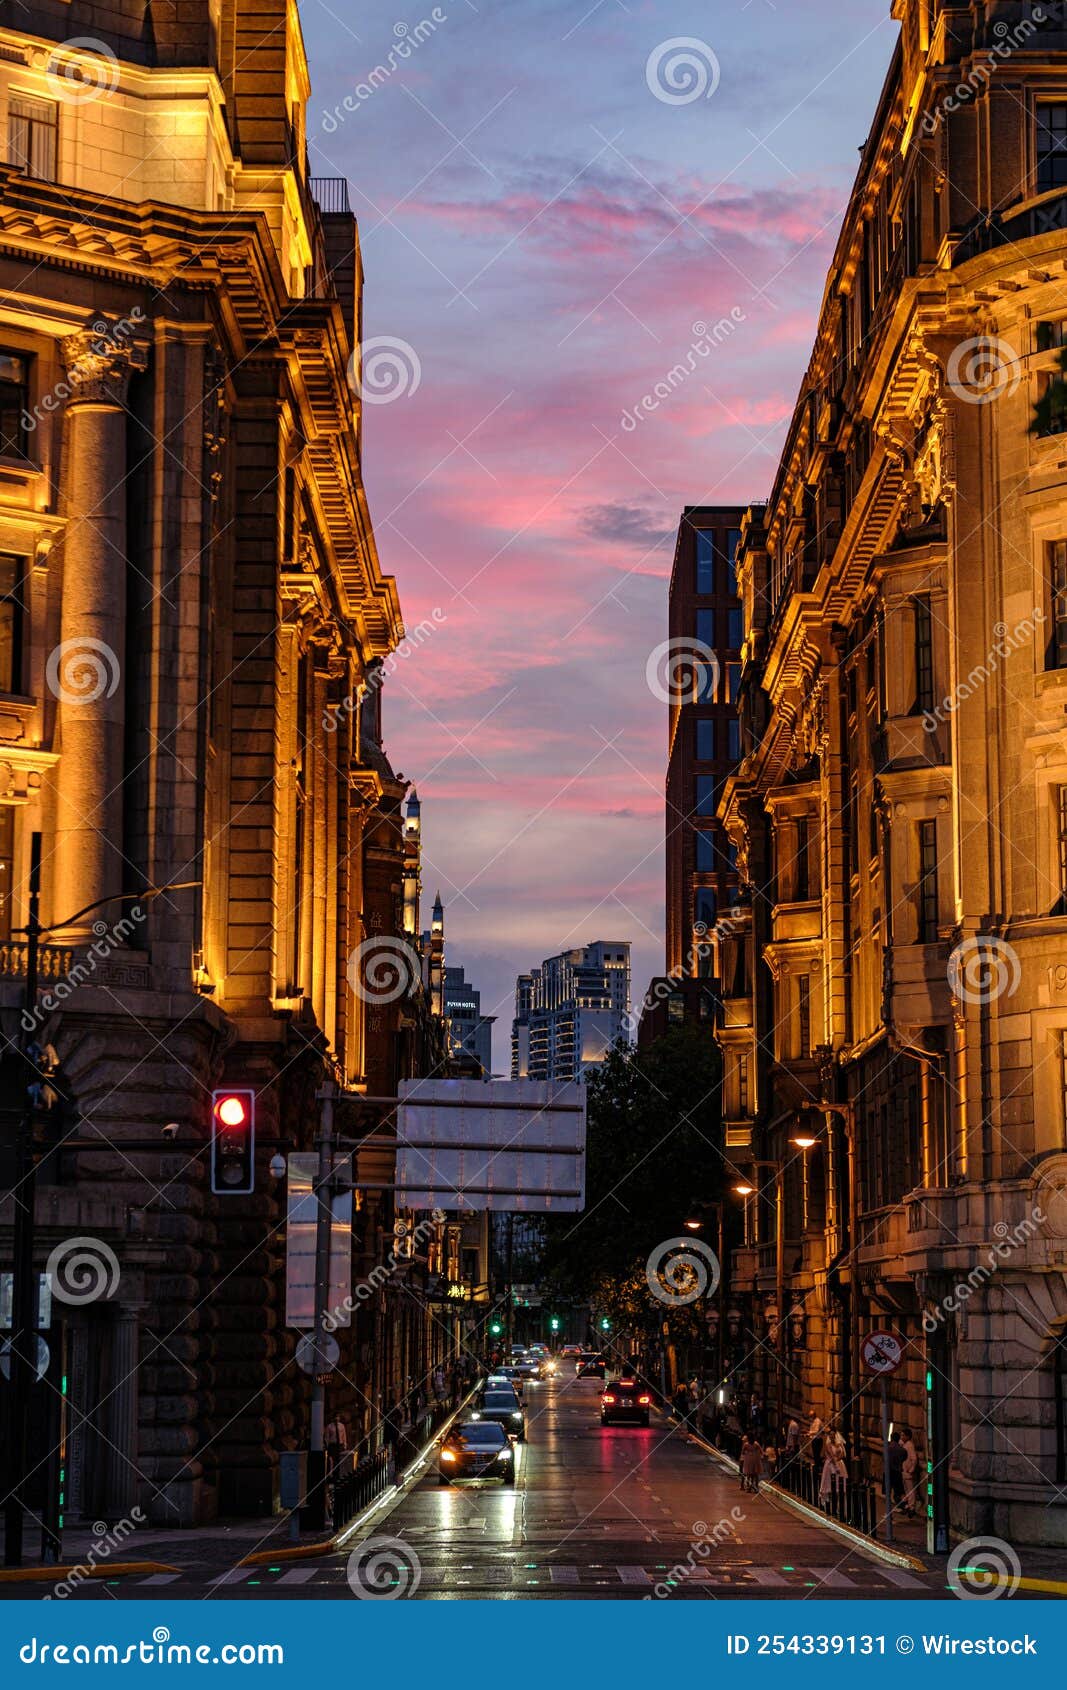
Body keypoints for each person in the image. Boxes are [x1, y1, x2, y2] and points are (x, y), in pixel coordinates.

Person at [819, 1427, 847, 1509]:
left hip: (840, 1463)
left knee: (839, 1484)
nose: (832, 1436)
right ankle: (830, 1503)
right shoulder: (828, 1445)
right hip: (831, 1465)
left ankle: (838, 1504)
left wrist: (839, 1458)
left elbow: (843, 1454)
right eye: (830, 1435)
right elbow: (831, 1456)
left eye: (833, 1434)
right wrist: (836, 1465)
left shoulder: (839, 1443)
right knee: (830, 1484)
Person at [901, 1427, 921, 1517]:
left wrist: (911, 1469)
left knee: (910, 1490)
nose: (902, 1437)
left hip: (908, 1471)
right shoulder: (905, 1444)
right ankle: (908, 1506)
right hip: (905, 1471)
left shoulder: (909, 1445)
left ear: (908, 1436)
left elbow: (914, 1458)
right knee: (907, 1489)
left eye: (903, 1435)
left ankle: (911, 1507)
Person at [886, 1429, 906, 1513]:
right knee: (898, 1490)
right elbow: (904, 1456)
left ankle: (897, 1507)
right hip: (897, 1471)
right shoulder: (901, 1449)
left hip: (889, 1471)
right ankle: (901, 1506)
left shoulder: (888, 1448)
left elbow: (885, 1459)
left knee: (889, 1490)